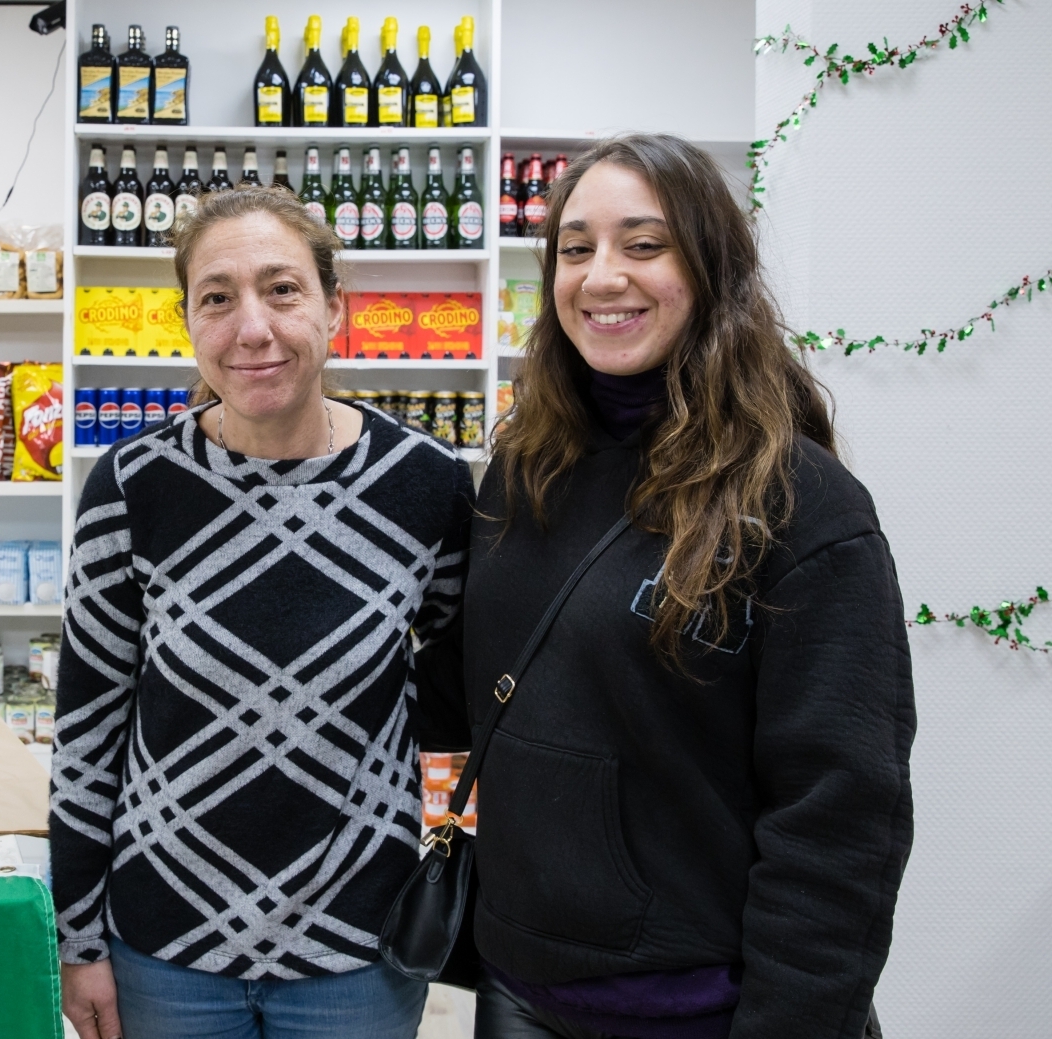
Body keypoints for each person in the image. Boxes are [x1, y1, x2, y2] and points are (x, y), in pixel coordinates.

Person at [418, 134, 914, 1039]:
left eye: (644, 244)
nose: (602, 275)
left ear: (713, 267)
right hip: (518, 986)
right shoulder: (525, 470)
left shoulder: (800, 504)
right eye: (576, 248)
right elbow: (464, 684)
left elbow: (839, 820)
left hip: (700, 1008)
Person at [51, 186, 473, 1039]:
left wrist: (448, 872)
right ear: (187, 320)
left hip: (362, 953)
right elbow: (87, 732)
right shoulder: (132, 486)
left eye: (282, 289)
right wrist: (77, 939)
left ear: (334, 305)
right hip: (163, 951)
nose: (253, 328)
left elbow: (454, 710)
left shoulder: (426, 483)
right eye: (217, 297)